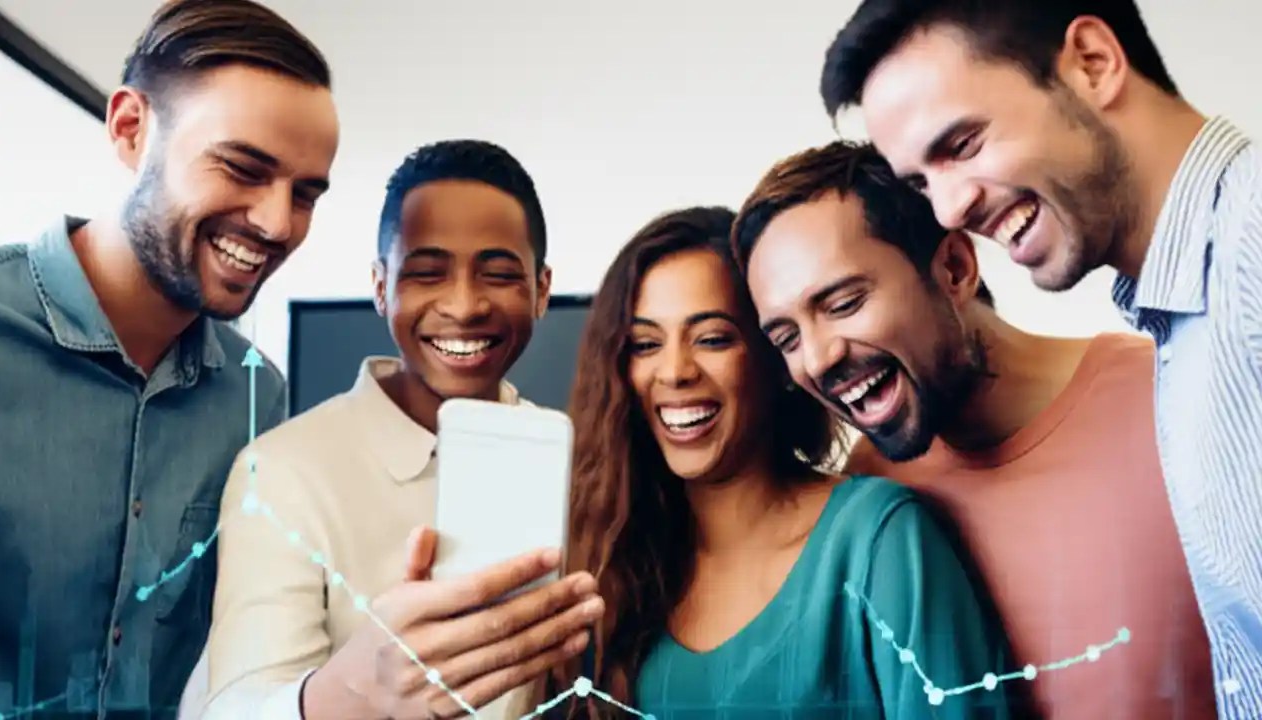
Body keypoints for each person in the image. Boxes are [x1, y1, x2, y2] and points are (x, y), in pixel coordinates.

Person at [817, 3, 1262, 714]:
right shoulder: (1182, 321)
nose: (948, 211)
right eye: (921, 184)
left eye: (962, 144)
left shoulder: (1251, 246)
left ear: (1093, 62)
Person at [731, 139, 1217, 720]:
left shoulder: (1169, 399)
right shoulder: (869, 499)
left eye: (843, 303)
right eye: (786, 337)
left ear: (955, 268)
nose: (816, 359)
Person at [529, 206, 1028, 719]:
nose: (674, 371)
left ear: (777, 357)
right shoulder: (612, 566)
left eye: (713, 338)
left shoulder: (877, 538)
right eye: (645, 344)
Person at [0, 0, 337, 717]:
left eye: (305, 193)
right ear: (130, 129)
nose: (276, 223)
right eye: (242, 167)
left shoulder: (258, 395)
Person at [199, 139, 602, 720]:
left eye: (497, 273)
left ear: (541, 289)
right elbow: (235, 709)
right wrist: (359, 686)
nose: (464, 306)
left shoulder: (573, 464)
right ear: (381, 286)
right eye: (427, 273)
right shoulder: (284, 470)